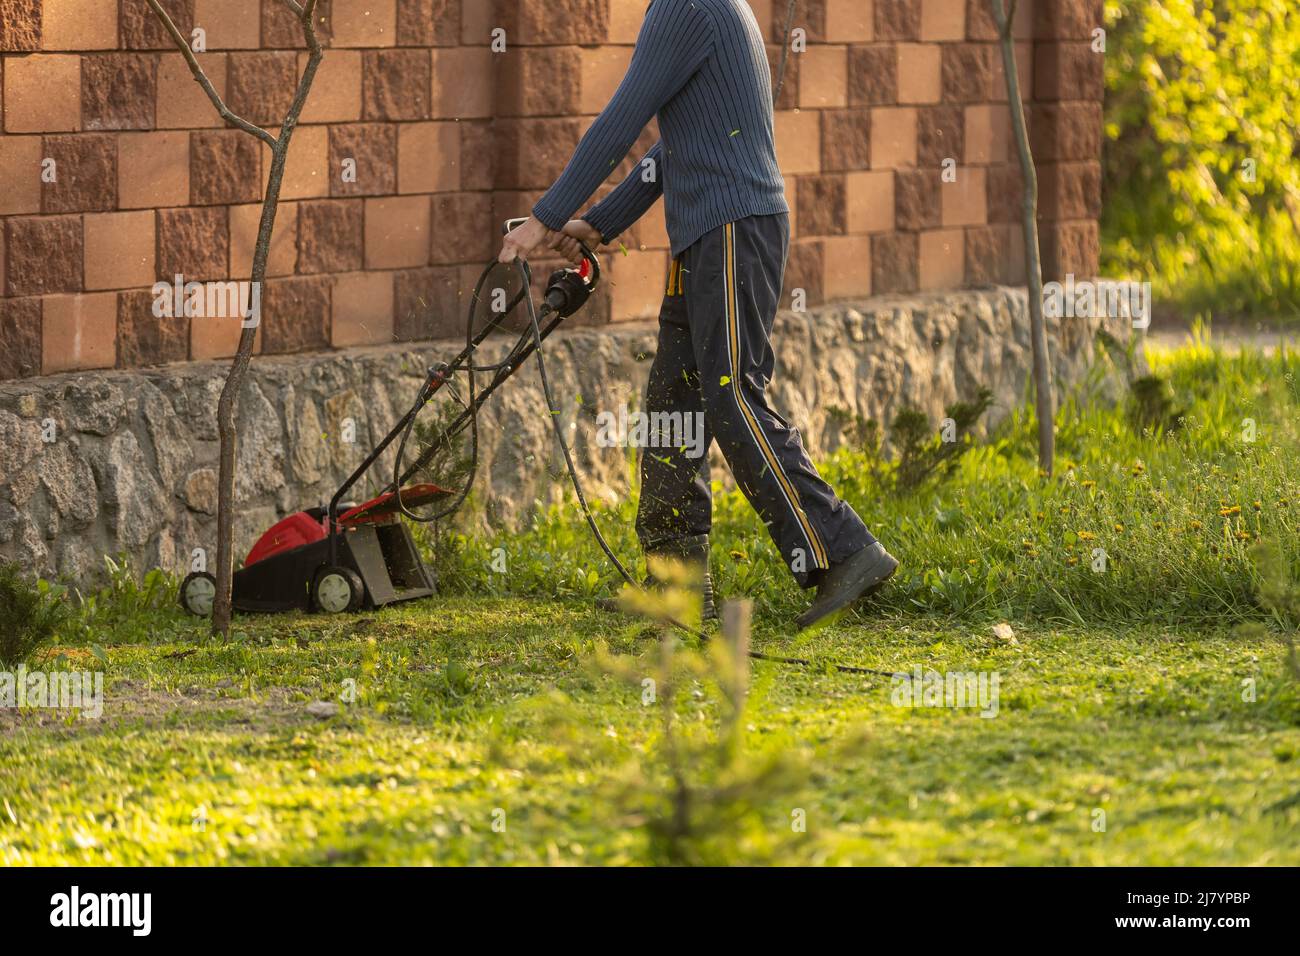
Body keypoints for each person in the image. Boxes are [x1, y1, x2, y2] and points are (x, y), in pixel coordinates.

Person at [497, 0, 896, 630]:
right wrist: (597, 223)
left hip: (733, 228)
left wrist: (545, 216)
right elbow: (671, 150)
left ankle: (844, 551)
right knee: (673, 408)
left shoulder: (687, 5)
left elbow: (621, 120)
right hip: (708, 236)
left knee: (731, 394)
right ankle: (676, 586)